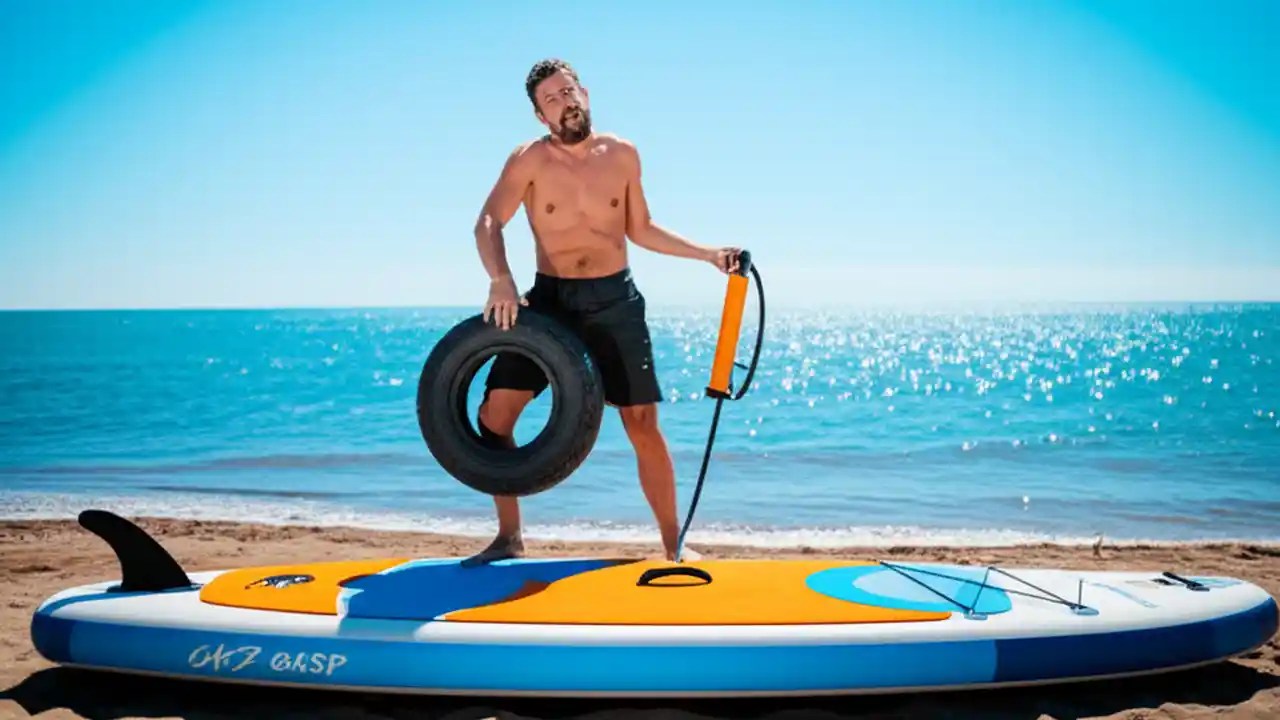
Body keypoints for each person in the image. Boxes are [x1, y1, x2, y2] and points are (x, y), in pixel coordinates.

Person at [466, 58, 741, 566]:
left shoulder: (623, 154)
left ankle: (673, 545)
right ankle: (509, 537)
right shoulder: (528, 160)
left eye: (568, 91)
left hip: (615, 300)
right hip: (550, 303)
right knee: (495, 415)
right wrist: (500, 279)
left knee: (642, 422)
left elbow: (641, 228)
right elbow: (488, 221)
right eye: (551, 98)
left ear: (584, 94)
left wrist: (707, 254)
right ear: (540, 116)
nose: (564, 101)